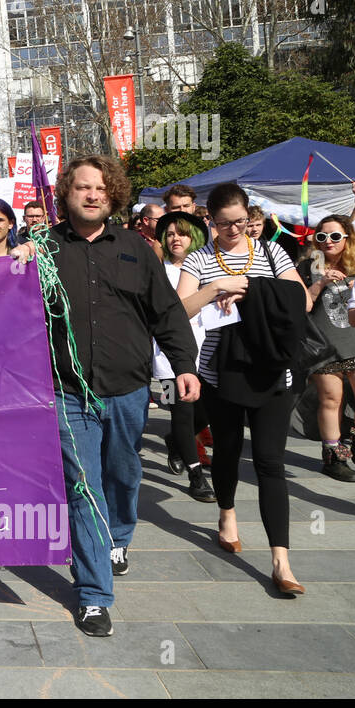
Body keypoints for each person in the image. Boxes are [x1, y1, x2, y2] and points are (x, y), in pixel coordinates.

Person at [16, 156, 199, 636]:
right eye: (82, 187)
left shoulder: (138, 250)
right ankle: (94, 595)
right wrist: (11, 265)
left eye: (100, 188)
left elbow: (166, 313)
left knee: (123, 472)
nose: (92, 195)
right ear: (66, 194)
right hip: (67, 392)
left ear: (113, 195)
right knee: (83, 486)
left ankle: (118, 537)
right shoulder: (41, 247)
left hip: (128, 389)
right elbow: (1, 312)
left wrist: (184, 366)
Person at [177, 182, 307, 596]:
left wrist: (250, 288)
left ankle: (280, 560)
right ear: (209, 220)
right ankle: (227, 512)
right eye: (223, 223)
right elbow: (179, 311)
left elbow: (300, 299)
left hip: (271, 371)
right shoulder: (199, 258)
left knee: (270, 462)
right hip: (222, 373)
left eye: (240, 222)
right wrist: (216, 288)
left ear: (250, 216)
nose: (233, 230)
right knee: (228, 451)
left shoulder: (270, 251)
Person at [296, 216, 355, 481]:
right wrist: (321, 282)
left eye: (335, 236)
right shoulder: (307, 267)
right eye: (322, 236)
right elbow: (302, 304)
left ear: (348, 238)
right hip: (321, 344)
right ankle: (334, 457)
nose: (328, 242)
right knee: (331, 399)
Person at [152, 213, 215, 502]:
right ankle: (196, 476)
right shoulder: (155, 269)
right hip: (165, 355)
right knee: (179, 408)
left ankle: (177, 440)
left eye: (183, 234)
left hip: (206, 349)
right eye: (171, 234)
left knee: (202, 412)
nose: (176, 238)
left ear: (196, 238)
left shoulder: (207, 267)